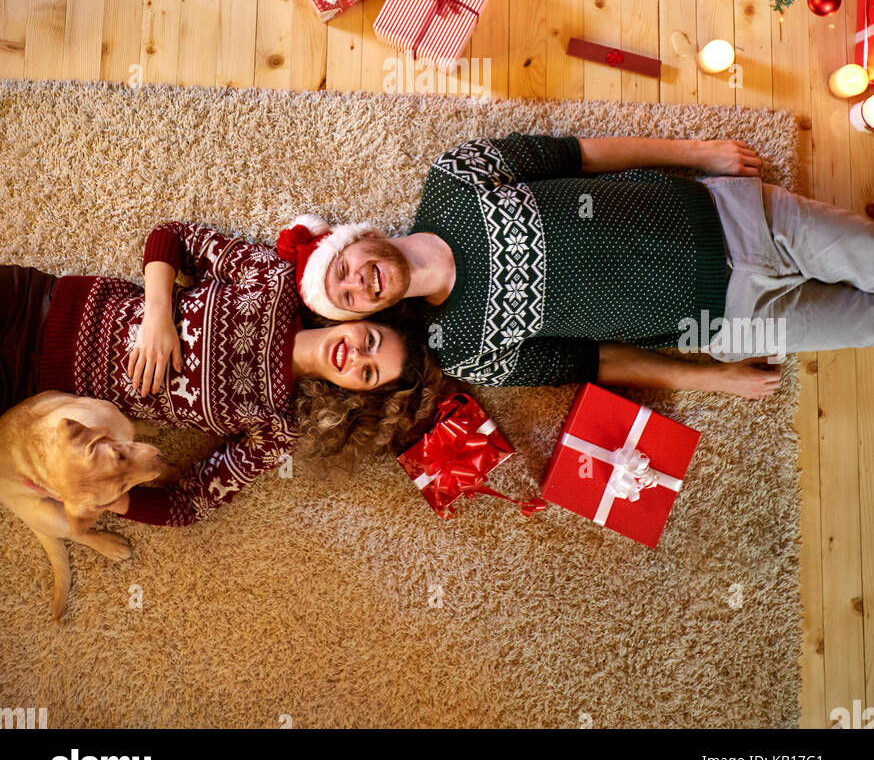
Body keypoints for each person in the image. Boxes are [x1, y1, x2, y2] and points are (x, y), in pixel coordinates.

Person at [278, 132, 874, 398]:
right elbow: (596, 361)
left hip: (731, 215)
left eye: (343, 270)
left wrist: (697, 153)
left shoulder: (454, 178)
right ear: (369, 314)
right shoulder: (460, 348)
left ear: (359, 239)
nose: (357, 284)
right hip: (729, 322)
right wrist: (713, 378)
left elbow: (581, 155)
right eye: (349, 300)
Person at [0, 221, 443, 527]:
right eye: (371, 341)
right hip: (40, 302)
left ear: (355, 395)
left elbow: (189, 503)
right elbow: (172, 235)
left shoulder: (278, 425)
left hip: (32, 398)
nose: (354, 356)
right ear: (361, 319)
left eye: (367, 375)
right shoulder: (276, 280)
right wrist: (158, 313)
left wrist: (103, 496)